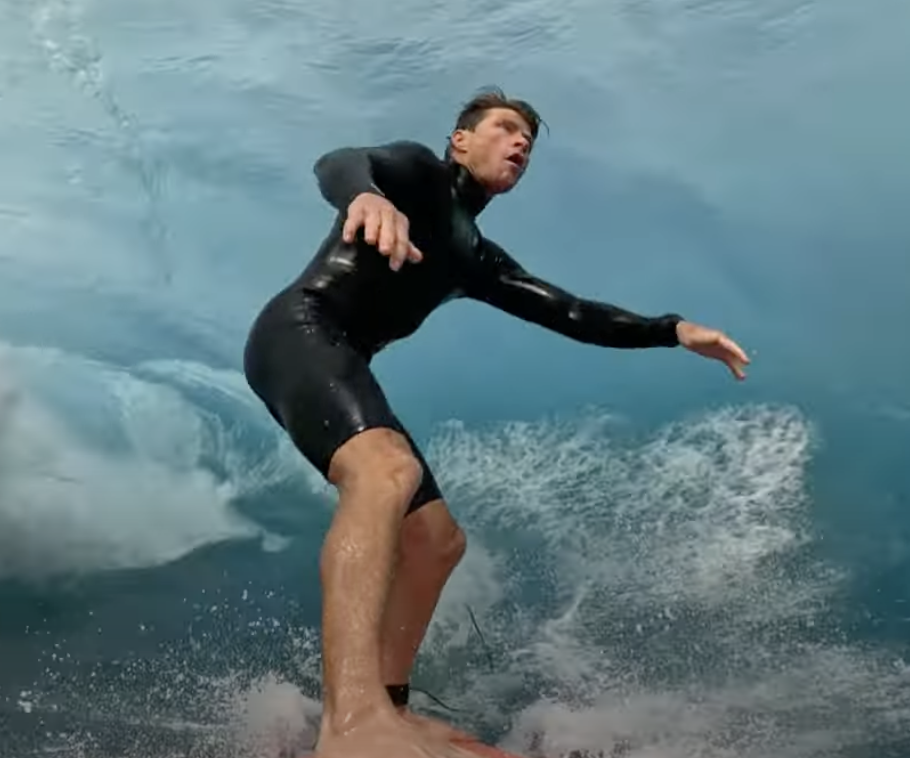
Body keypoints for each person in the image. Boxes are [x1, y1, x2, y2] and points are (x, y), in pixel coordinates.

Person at [242, 89, 751, 758]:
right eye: (506, 128)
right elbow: (338, 160)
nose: (520, 144)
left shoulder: (474, 257)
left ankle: (392, 707)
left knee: (437, 541)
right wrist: (363, 197)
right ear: (460, 140)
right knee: (384, 470)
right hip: (297, 332)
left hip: (340, 357)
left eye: (528, 142)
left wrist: (674, 330)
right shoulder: (416, 174)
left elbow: (571, 312)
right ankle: (352, 721)